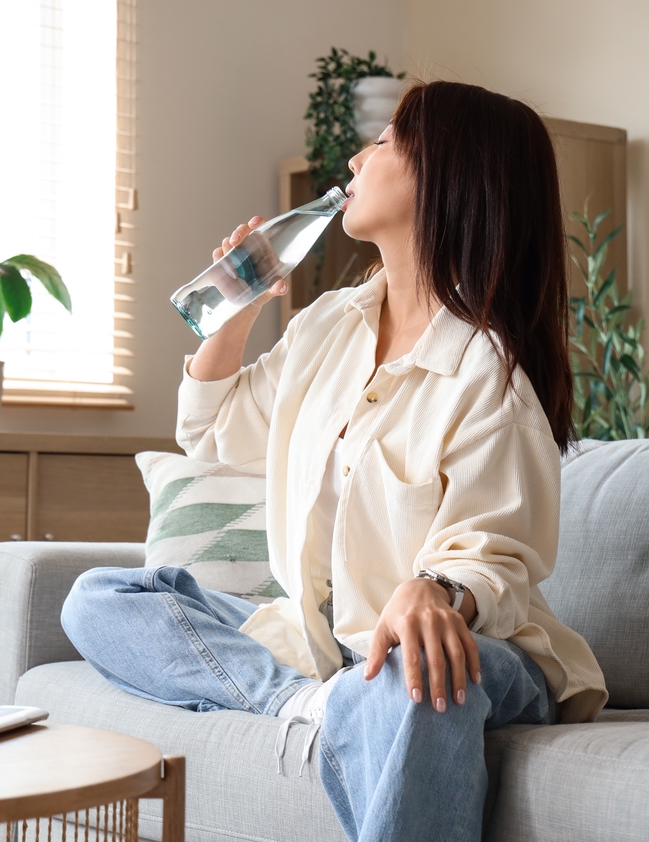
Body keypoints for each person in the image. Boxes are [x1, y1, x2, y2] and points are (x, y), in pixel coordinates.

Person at [61, 80, 608, 842]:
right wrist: (236, 311)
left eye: (384, 143)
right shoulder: (329, 327)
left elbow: (497, 556)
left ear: (444, 176)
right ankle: (311, 702)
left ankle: (355, 693)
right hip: (325, 653)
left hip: (473, 648)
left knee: (416, 677)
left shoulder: (489, 370)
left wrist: (433, 591)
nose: (356, 156)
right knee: (98, 598)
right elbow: (211, 433)